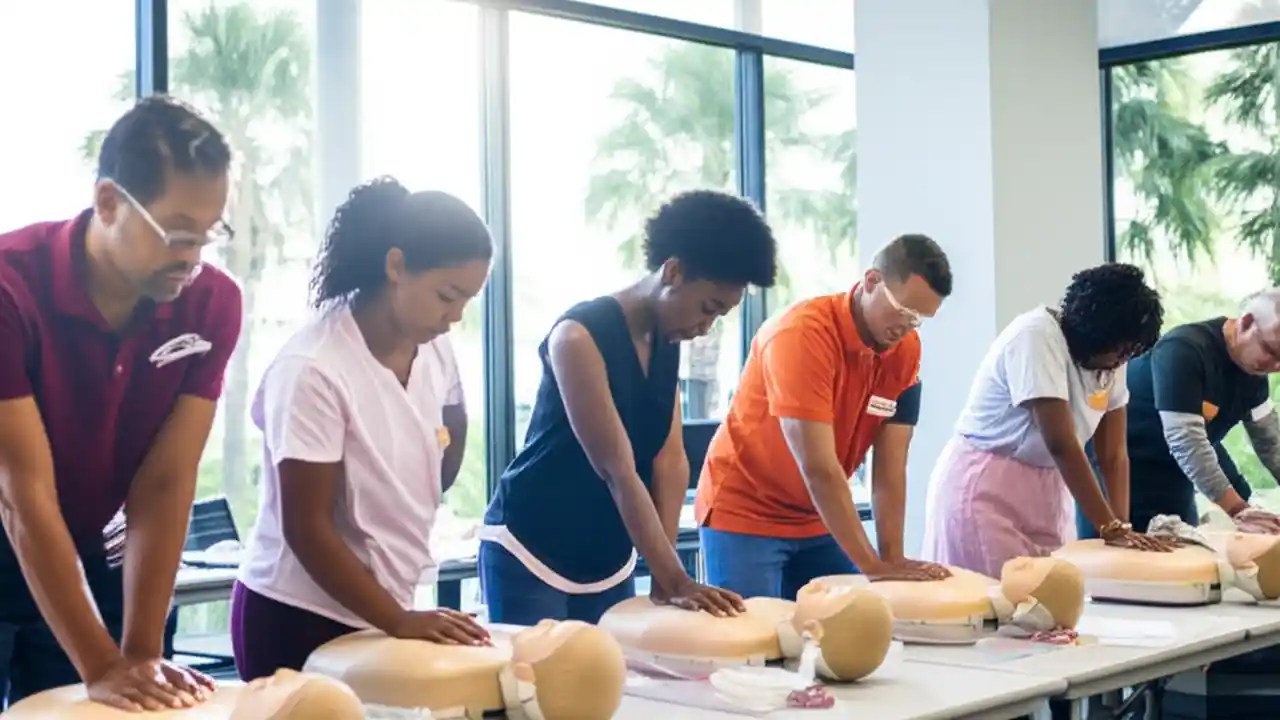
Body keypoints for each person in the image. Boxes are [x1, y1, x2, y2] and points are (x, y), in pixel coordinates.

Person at [0, 96, 241, 710]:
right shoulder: (10, 288)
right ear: (108, 202)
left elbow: (164, 483)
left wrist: (139, 651)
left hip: (78, 548)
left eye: (209, 235)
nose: (192, 255)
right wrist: (102, 663)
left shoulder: (211, 303)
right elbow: (22, 494)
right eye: (177, 233)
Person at [231, 178, 494, 681]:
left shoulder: (432, 343)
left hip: (382, 609)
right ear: (396, 266)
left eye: (467, 300)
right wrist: (398, 619)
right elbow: (305, 528)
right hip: (297, 613)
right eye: (446, 295)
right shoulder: (313, 367)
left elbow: (452, 417)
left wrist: (424, 473)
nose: (455, 316)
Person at [479, 190, 777, 625]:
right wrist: (675, 579)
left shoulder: (666, 340)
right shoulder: (578, 337)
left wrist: (665, 571)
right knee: (538, 688)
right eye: (707, 308)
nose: (705, 327)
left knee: (612, 687)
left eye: (720, 316)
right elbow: (617, 469)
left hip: (607, 554)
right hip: (532, 549)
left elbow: (670, 462)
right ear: (672, 271)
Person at [695, 234, 953, 600]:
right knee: (759, 638)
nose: (907, 326)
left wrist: (892, 558)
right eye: (903, 310)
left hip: (816, 515)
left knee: (856, 621)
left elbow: (891, 466)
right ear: (871, 281)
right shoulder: (801, 335)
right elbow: (818, 466)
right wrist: (874, 567)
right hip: (747, 511)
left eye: (919, 319)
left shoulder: (906, 351)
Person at [922, 263, 1174, 578]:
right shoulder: (1036, 335)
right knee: (998, 602)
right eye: (1120, 351)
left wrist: (1121, 528)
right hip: (987, 484)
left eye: (1130, 353)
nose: (1121, 361)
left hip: (1049, 488)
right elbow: (1062, 443)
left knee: (1052, 600)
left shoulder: (1113, 357)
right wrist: (1108, 526)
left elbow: (1113, 455)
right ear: (1095, 331)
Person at [1091, 289, 1280, 537]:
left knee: (1181, 560)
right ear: (1245, 323)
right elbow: (1186, 440)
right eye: (1271, 351)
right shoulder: (1184, 350)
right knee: (1113, 565)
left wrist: (1244, 505)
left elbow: (1270, 442)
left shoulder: (1254, 374)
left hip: (1175, 474)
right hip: (1118, 469)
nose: (1275, 367)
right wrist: (1239, 510)